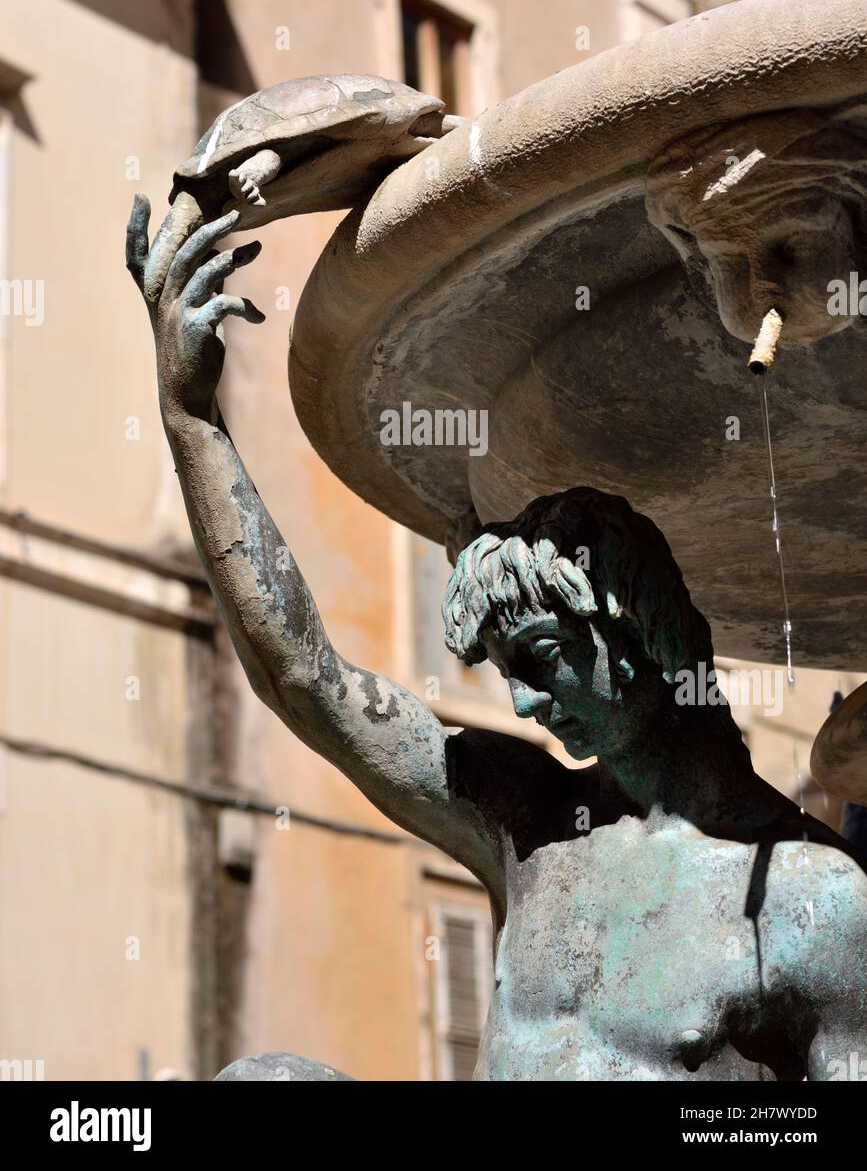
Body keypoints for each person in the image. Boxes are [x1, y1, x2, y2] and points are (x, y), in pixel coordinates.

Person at [126, 195, 867, 1081]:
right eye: (507, 671)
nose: (519, 702)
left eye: (542, 660)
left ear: (640, 635)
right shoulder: (529, 822)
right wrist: (189, 415)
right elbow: (308, 681)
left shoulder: (806, 898)